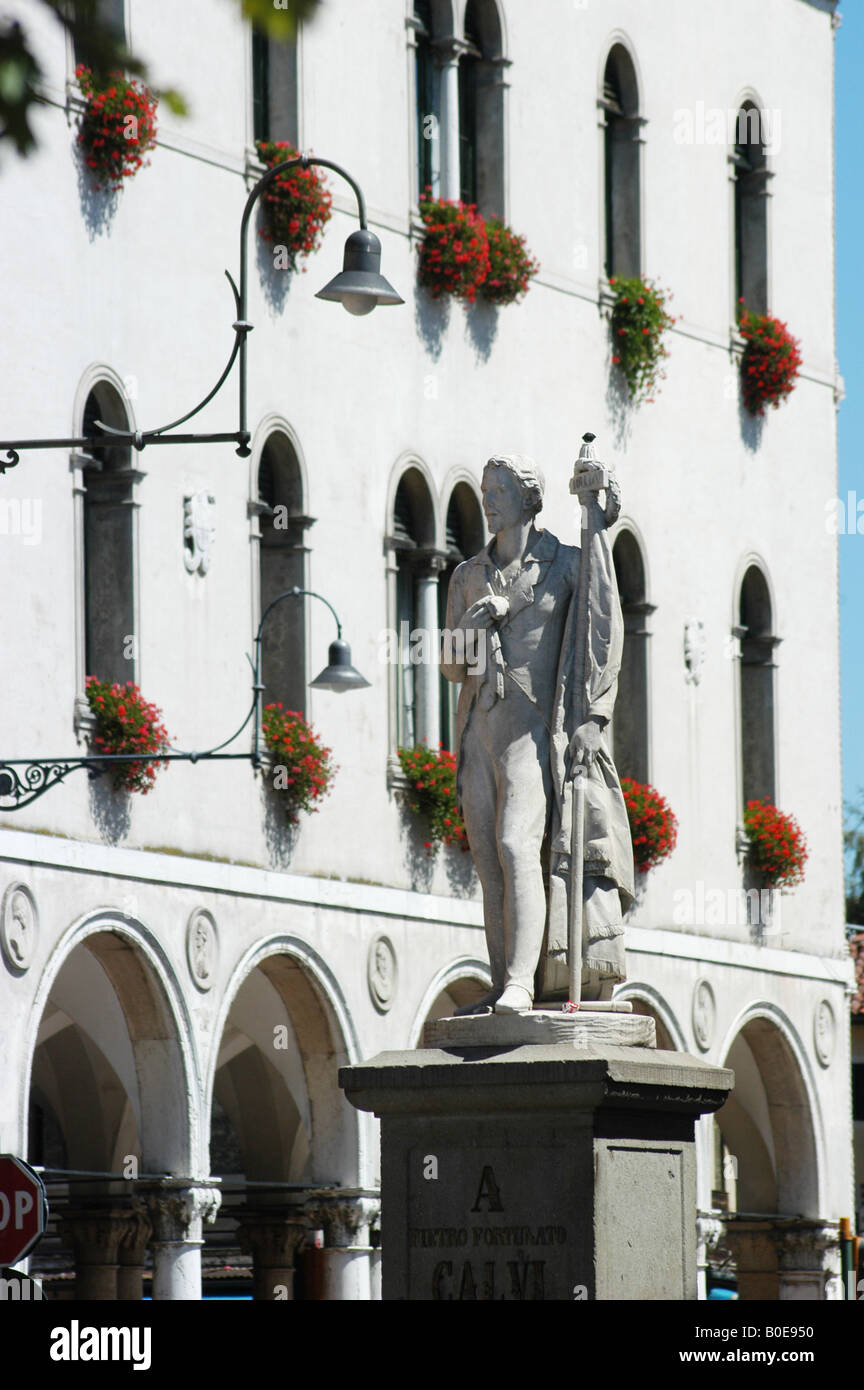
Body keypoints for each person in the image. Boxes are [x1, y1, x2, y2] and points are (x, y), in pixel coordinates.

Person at [441, 453, 634, 1013]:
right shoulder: (467, 575)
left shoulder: (563, 563)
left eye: (498, 489)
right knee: (487, 860)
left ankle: (524, 980)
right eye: (484, 489)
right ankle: (504, 979)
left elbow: (604, 623)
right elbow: (452, 667)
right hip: (478, 730)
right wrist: (468, 632)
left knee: (515, 844)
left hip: (532, 729)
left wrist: (594, 718)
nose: (488, 499)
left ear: (528, 497)